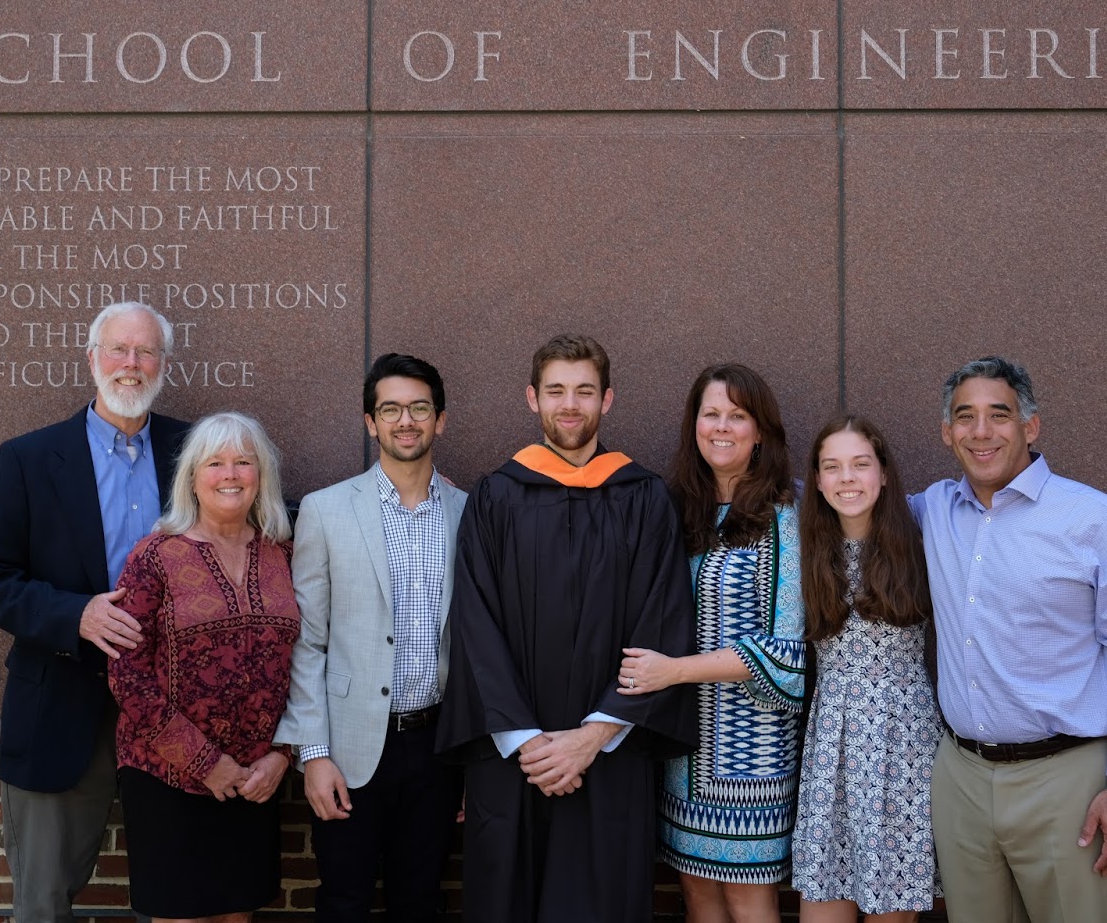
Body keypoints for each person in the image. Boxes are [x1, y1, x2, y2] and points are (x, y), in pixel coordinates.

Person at [435, 333, 698, 923]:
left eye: (584, 391)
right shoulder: (496, 496)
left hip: (608, 753)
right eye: (556, 391)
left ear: (608, 400)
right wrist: (527, 741)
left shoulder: (646, 497)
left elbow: (662, 617)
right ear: (532, 399)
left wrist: (592, 736)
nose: (570, 404)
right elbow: (474, 623)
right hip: (512, 758)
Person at [915, 356, 1107, 923]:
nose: (981, 431)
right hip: (960, 777)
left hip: (1066, 780)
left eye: (998, 415)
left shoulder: (1097, 521)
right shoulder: (932, 511)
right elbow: (846, 497)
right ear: (946, 432)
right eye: (965, 416)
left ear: (1030, 426)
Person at [0, 301, 190, 923]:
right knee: (41, 906)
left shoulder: (197, 451)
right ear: (92, 358)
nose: (131, 364)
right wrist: (75, 615)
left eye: (145, 352)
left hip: (176, 710)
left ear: (164, 364)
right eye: (118, 349)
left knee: (178, 900)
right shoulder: (30, 459)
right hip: (62, 700)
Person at [275, 353, 467, 923]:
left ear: (440, 419)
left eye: (419, 408)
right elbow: (307, 641)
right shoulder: (326, 510)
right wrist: (314, 754)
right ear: (370, 422)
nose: (405, 421)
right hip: (350, 748)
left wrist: (467, 758)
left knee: (421, 899)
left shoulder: (471, 511)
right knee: (344, 901)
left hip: (437, 748)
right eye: (390, 409)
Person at [616, 364, 805, 922]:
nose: (721, 427)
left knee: (748, 900)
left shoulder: (788, 516)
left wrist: (674, 671)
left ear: (761, 432)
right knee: (697, 897)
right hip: (684, 747)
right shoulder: (680, 510)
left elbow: (789, 653)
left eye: (737, 416)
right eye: (711, 414)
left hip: (754, 754)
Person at [109, 411, 299, 922]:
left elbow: (307, 662)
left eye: (244, 461)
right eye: (215, 463)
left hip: (255, 778)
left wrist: (280, 755)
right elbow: (127, 676)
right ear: (192, 476)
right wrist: (204, 762)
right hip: (166, 777)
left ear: (262, 475)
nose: (230, 474)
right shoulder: (154, 556)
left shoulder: (285, 553)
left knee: (236, 914)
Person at [792, 416, 939, 922]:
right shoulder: (807, 550)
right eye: (831, 467)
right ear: (816, 480)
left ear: (883, 474)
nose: (847, 478)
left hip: (902, 746)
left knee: (890, 908)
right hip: (831, 740)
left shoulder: (921, 544)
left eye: (860, 464)